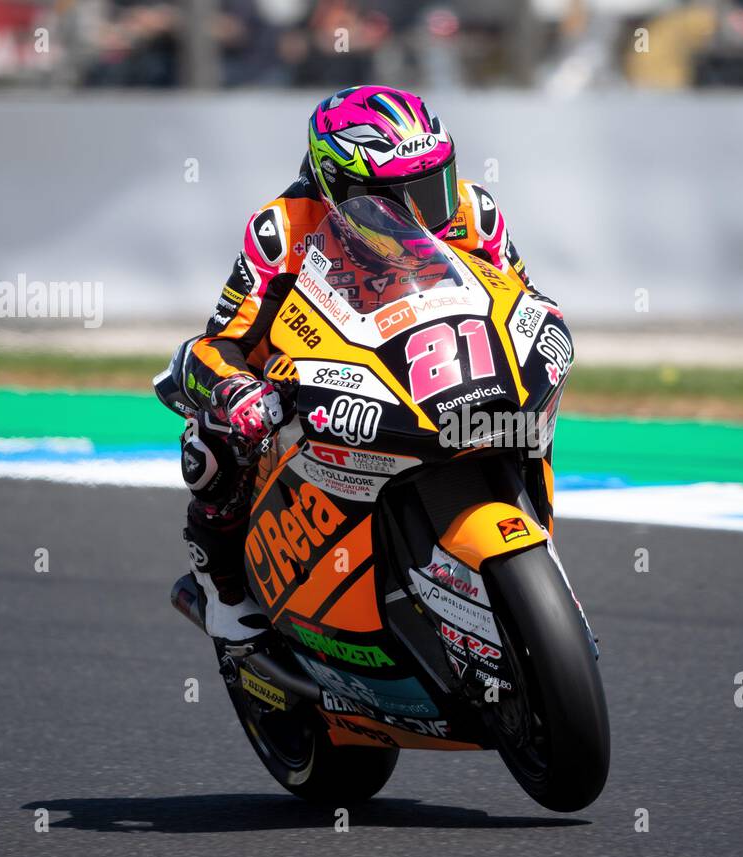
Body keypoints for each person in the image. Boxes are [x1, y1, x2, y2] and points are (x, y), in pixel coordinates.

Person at [155, 85, 554, 642]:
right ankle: (221, 589)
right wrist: (239, 390)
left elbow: (524, 298)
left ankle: (532, 546)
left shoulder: (473, 212)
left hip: (437, 367)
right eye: (399, 197)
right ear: (340, 188)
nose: (425, 211)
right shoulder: (284, 230)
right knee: (211, 440)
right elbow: (219, 344)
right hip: (312, 385)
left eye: (433, 184)